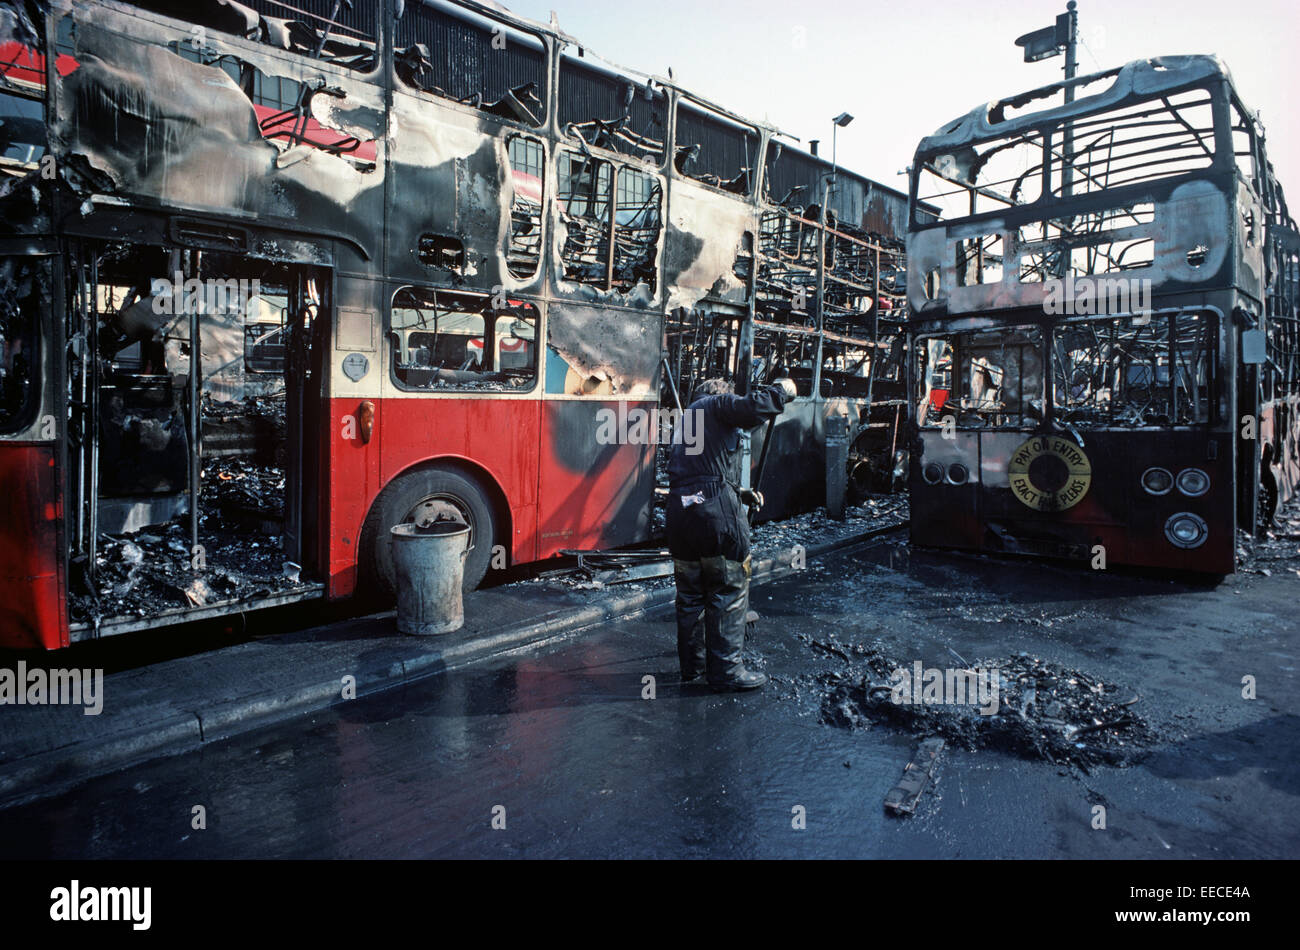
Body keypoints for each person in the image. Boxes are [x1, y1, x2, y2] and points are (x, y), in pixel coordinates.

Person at [666, 376, 796, 691]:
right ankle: (726, 672)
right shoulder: (715, 403)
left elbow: (703, 471)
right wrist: (783, 390)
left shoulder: (687, 422)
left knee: (691, 593)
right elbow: (753, 406)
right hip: (714, 514)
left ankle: (693, 668)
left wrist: (739, 493)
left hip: (680, 514)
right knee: (729, 585)